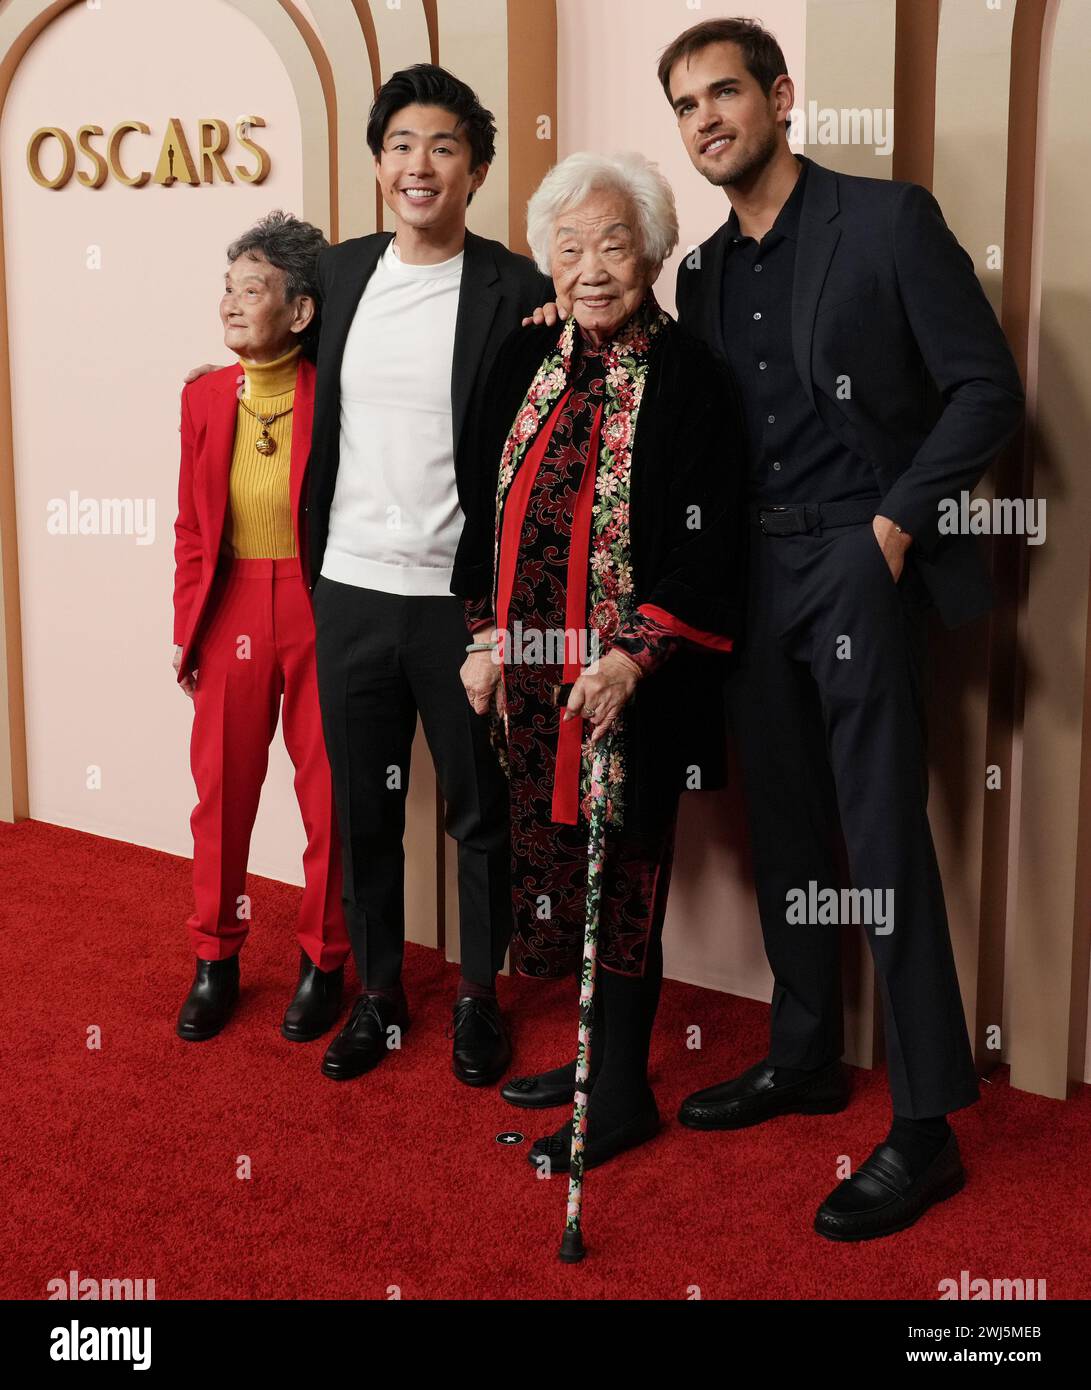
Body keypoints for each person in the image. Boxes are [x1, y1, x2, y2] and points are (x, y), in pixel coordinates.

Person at [657, 17, 1025, 1239]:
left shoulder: (885, 221)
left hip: (856, 556)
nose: (706, 118)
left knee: (880, 833)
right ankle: (804, 1053)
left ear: (777, 96)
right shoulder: (701, 274)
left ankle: (923, 1127)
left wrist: (891, 529)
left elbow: (985, 387)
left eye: (723, 93)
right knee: (783, 824)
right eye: (684, 105)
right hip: (748, 572)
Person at [452, 151, 746, 1170]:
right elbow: (483, 512)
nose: (588, 266)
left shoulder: (692, 378)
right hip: (530, 688)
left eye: (612, 243)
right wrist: (484, 636)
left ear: (652, 252)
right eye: (567, 246)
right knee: (554, 867)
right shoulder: (521, 359)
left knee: (621, 875)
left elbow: (711, 545)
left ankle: (618, 1094)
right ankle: (589, 1058)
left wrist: (634, 657)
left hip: (624, 689)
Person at [304, 65, 555, 1086]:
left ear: (477, 168)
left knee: (476, 808)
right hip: (349, 587)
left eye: (443, 146)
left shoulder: (519, 288)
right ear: (376, 166)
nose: (420, 164)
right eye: (401, 145)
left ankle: (478, 998)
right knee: (363, 805)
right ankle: (375, 994)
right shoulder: (336, 273)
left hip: (461, 602)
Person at [173, 210, 350, 1043]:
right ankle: (216, 958)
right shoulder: (204, 397)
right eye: (228, 287)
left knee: (331, 799)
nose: (232, 303)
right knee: (223, 796)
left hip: (321, 608)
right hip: (232, 604)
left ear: (301, 310)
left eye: (253, 289)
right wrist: (189, 628)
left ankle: (324, 961)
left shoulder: (337, 395)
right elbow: (191, 530)